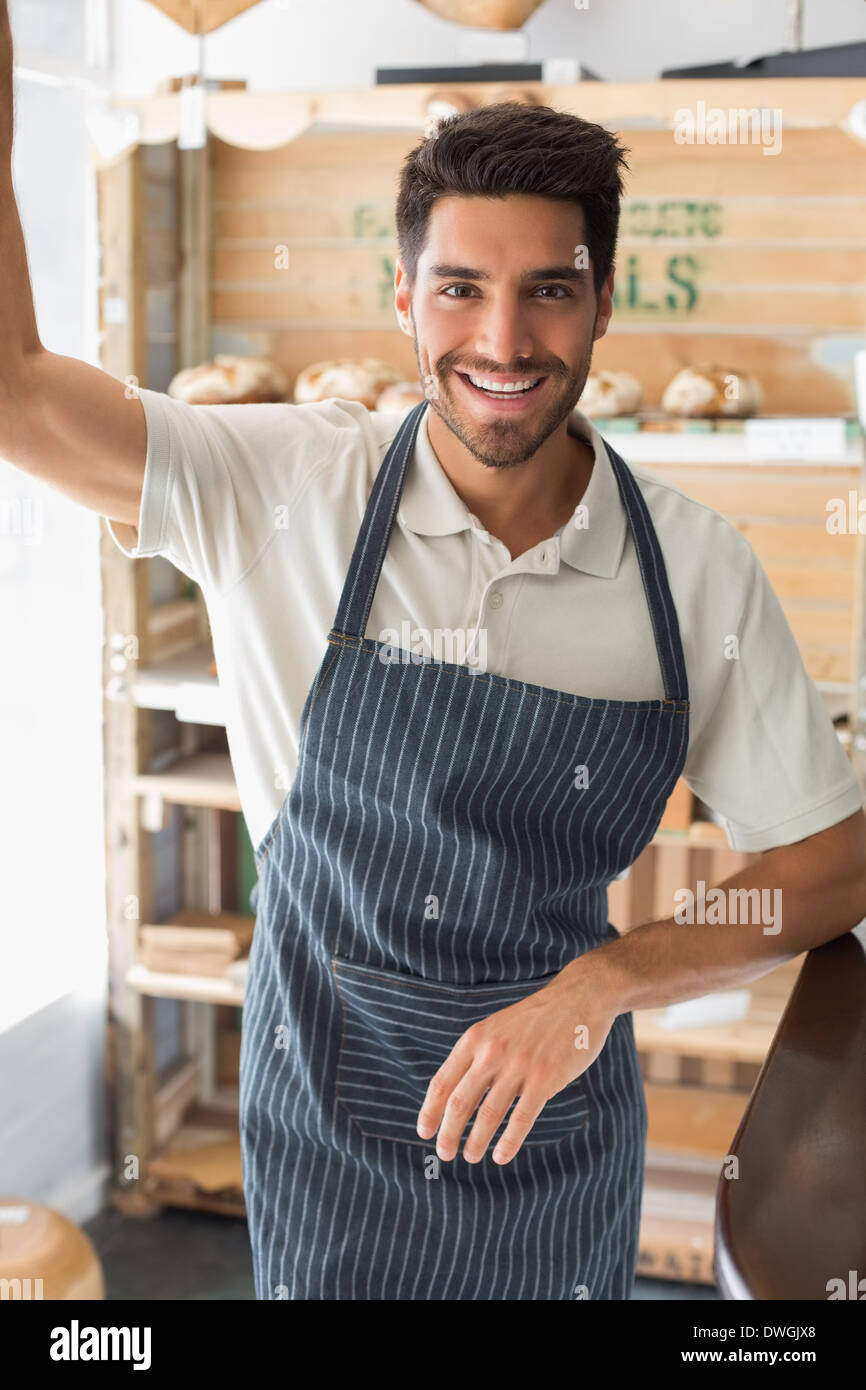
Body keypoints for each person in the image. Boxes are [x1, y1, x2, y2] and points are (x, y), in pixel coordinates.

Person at [2, 2, 865, 1297]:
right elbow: (16, 392)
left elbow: (829, 860)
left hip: (560, 1149)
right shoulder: (280, 485)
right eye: (460, 289)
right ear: (403, 296)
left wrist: (606, 981)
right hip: (329, 1149)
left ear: (602, 303)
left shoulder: (691, 567)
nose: (503, 343)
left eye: (548, 292)